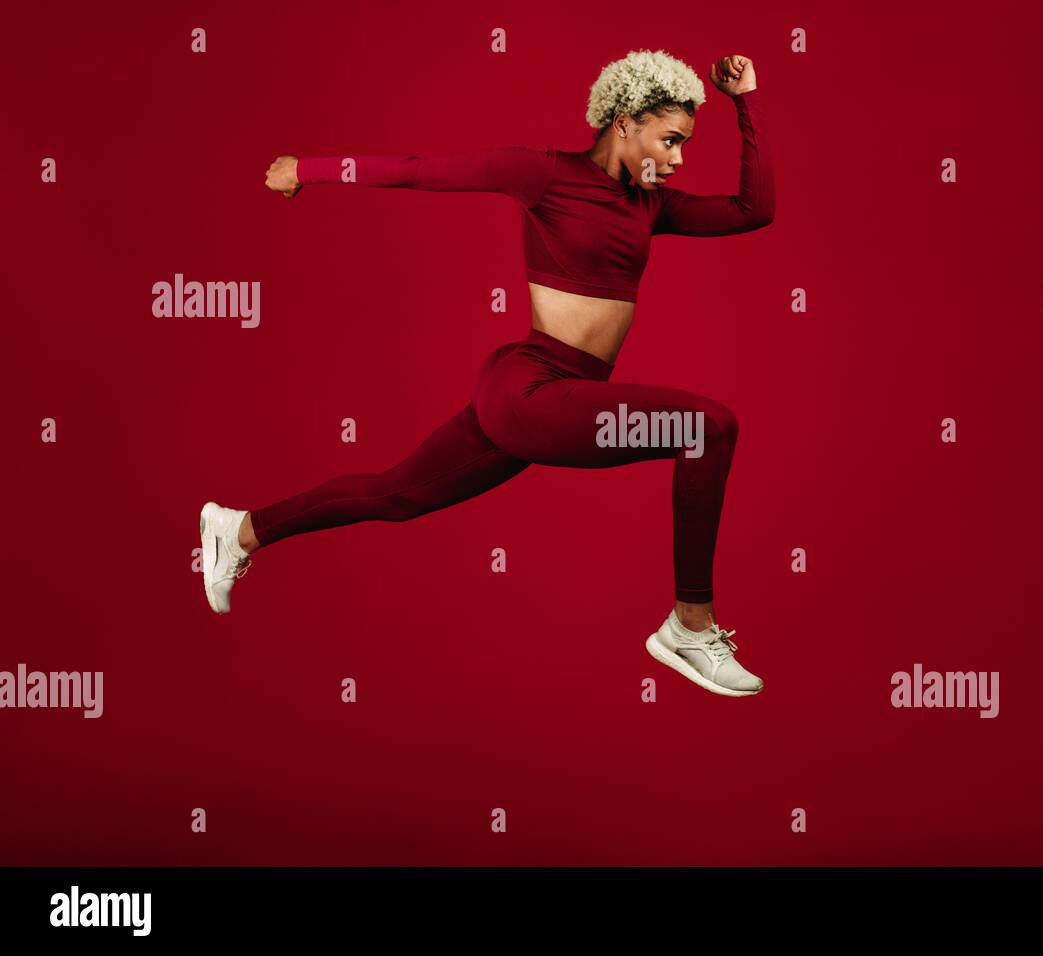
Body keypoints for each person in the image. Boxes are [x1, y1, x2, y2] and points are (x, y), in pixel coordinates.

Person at [200, 49, 775, 696]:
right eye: (669, 140)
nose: (677, 160)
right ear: (623, 121)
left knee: (396, 494)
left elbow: (754, 212)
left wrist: (744, 102)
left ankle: (239, 529)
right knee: (707, 429)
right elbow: (419, 173)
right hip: (529, 391)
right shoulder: (545, 175)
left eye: (683, 146)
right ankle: (689, 626)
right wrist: (307, 168)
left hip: (544, 394)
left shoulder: (651, 205)